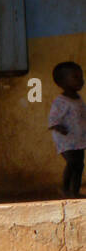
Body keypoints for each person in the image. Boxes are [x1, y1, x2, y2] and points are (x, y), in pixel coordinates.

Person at [48, 60, 86, 198]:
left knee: (80, 165)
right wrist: (59, 127)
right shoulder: (60, 101)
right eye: (75, 77)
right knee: (72, 162)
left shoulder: (78, 98)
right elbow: (53, 119)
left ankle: (74, 191)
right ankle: (65, 188)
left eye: (81, 77)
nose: (81, 80)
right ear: (62, 82)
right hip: (66, 139)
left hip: (78, 138)